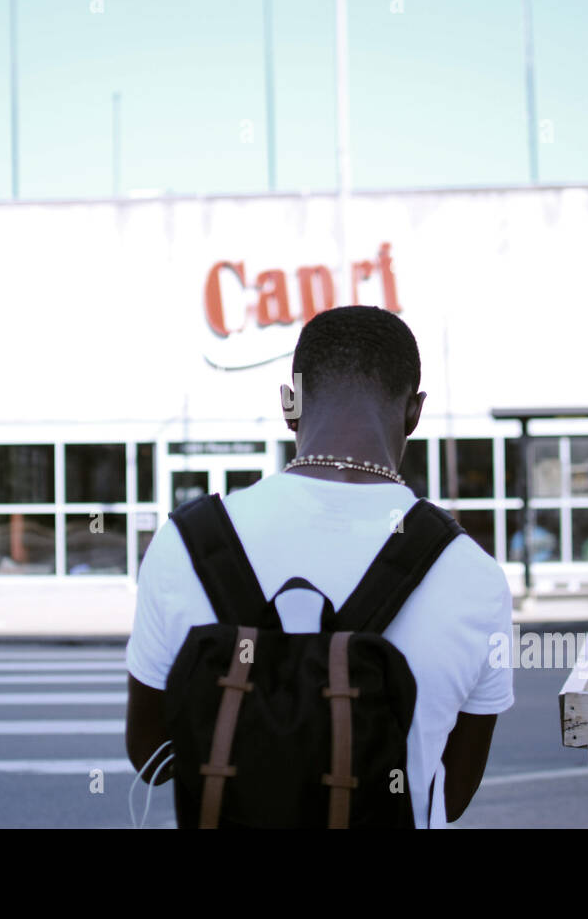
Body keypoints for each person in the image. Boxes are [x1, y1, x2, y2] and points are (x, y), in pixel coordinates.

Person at [125, 305, 513, 827]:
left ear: (289, 403)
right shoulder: (475, 576)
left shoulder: (186, 544)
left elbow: (150, 756)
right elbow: (450, 792)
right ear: (414, 413)